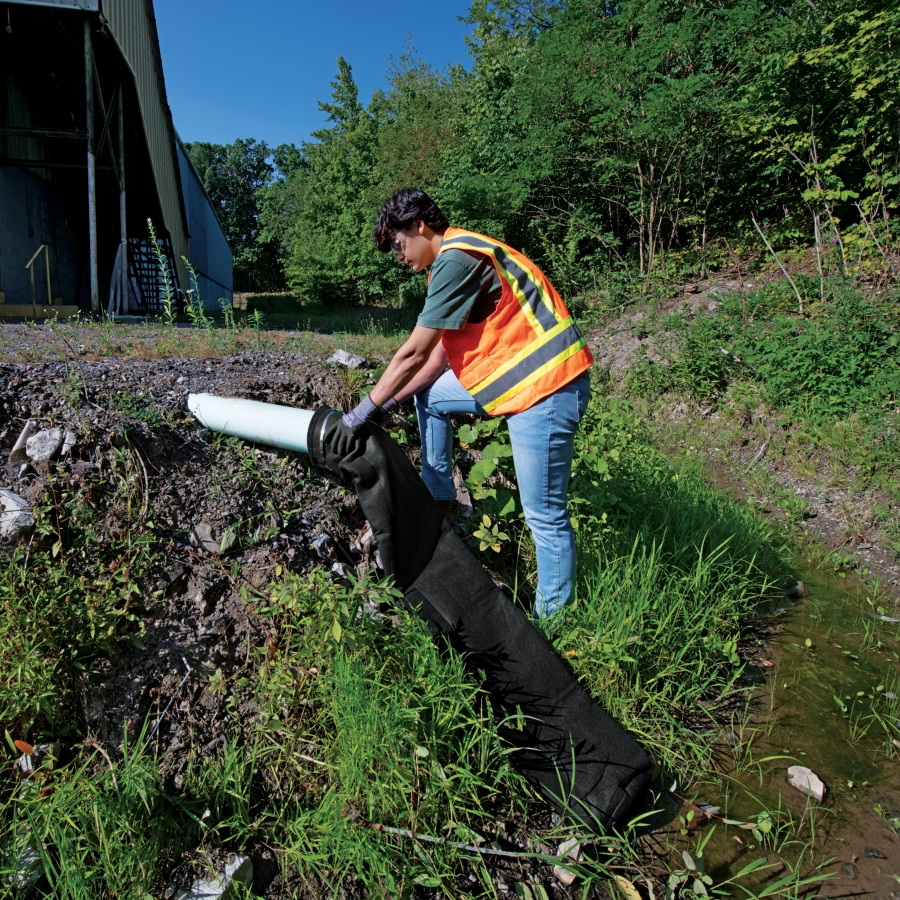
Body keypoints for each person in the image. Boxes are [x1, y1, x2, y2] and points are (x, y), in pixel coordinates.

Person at [342, 188, 594, 618]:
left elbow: (415, 353)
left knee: (544, 516)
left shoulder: (459, 259)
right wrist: (394, 400)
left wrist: (363, 411)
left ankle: (556, 623)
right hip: (518, 384)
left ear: (419, 225)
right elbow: (438, 359)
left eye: (399, 244)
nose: (399, 256)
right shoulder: (448, 265)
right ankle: (439, 498)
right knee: (431, 397)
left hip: (546, 391)